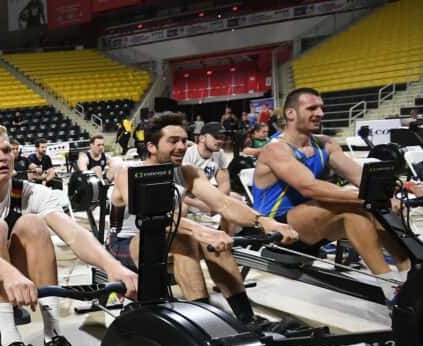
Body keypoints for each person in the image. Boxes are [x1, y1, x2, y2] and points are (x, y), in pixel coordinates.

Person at [0, 124, 137, 346]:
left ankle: (53, 339)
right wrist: (10, 274)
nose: (2, 157)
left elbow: (74, 234)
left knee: (33, 224)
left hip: (15, 285)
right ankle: (9, 345)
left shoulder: (30, 191)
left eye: (6, 151)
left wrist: (114, 267)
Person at [112, 112, 298, 327]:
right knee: (185, 240)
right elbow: (150, 215)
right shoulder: (130, 173)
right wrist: (200, 231)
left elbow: (223, 203)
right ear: (152, 146)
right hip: (126, 243)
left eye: (184, 140)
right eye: (172, 141)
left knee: (212, 243)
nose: (181, 146)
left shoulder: (188, 172)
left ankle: (247, 320)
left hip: (166, 238)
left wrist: (266, 222)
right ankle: (204, 324)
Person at [253, 87, 411, 301]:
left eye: (321, 108)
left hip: (313, 221)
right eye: (312, 108)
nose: (320, 113)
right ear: (290, 113)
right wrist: (370, 196)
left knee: (381, 207)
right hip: (276, 226)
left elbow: (359, 176)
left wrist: (397, 190)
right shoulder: (276, 149)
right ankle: (392, 290)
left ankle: (410, 275)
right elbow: (309, 187)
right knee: (355, 212)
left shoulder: (324, 144)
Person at [182, 121, 233, 229]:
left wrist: (214, 203)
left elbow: (224, 184)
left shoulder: (220, 153)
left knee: (236, 201)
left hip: (204, 196)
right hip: (186, 198)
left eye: (222, 137)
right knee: (183, 208)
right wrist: (200, 204)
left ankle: (227, 240)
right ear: (202, 138)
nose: (220, 141)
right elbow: (178, 193)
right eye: (216, 137)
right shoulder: (188, 154)